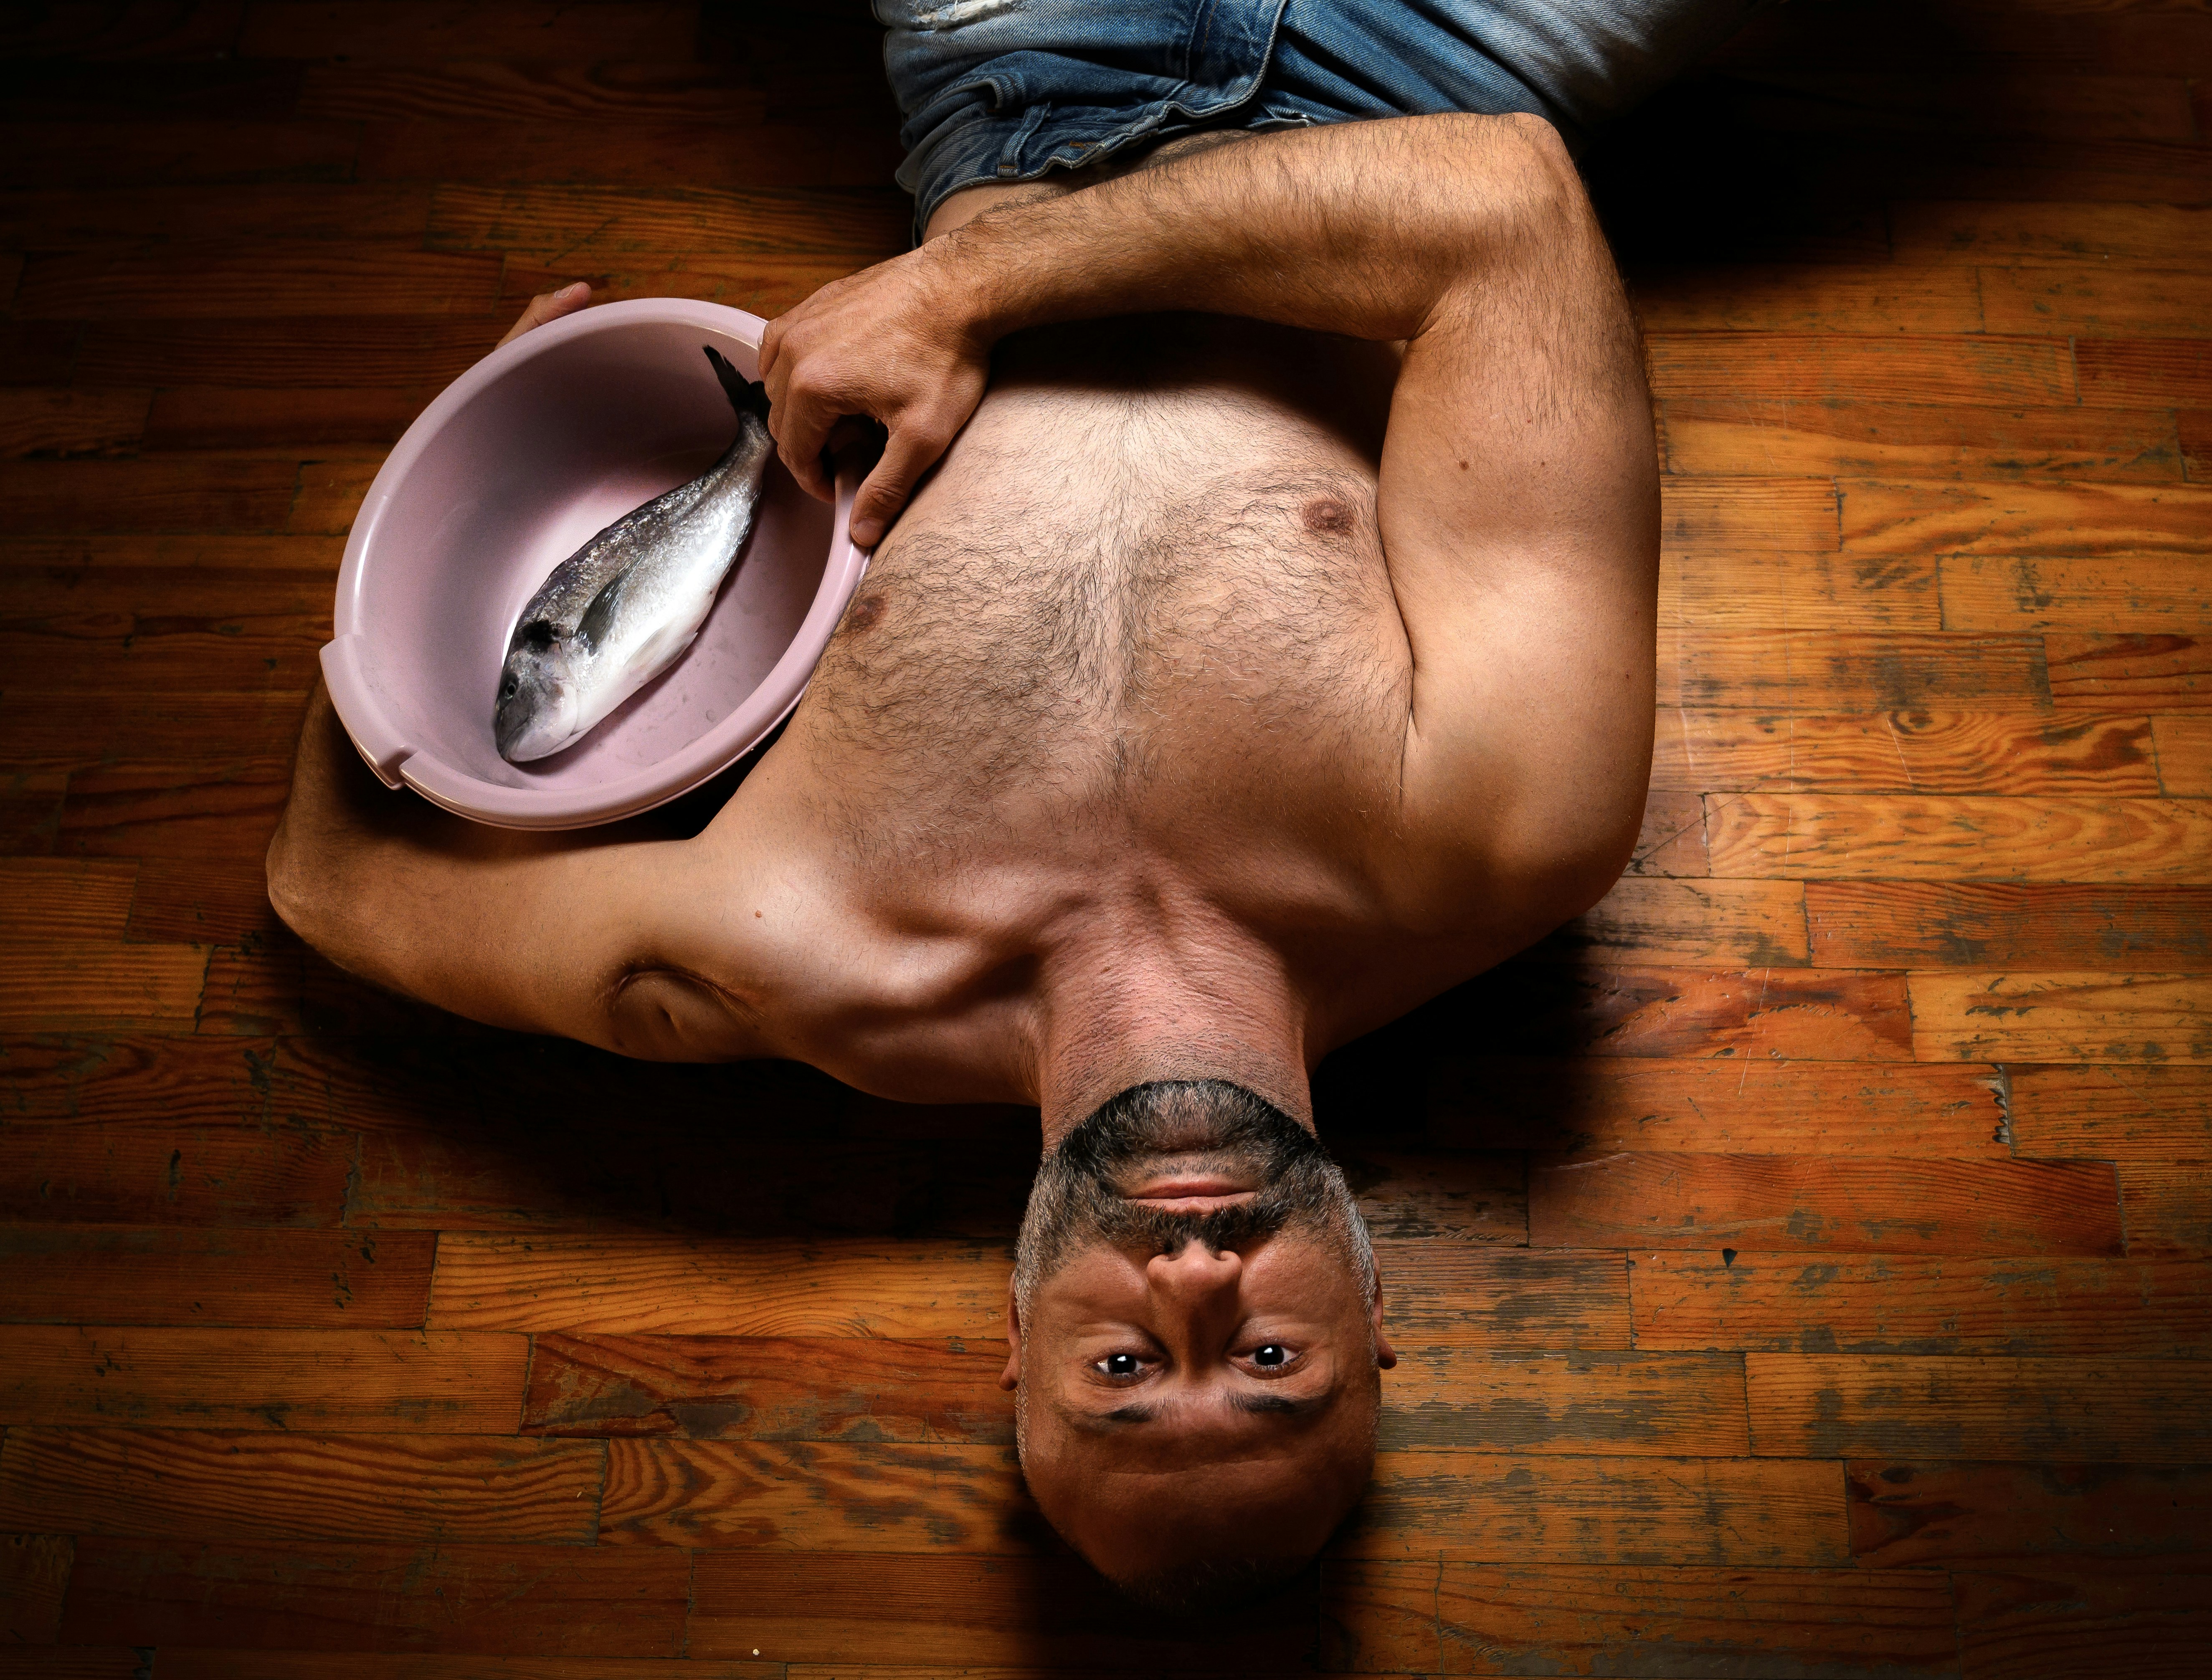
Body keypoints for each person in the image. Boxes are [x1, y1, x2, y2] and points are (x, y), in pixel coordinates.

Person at [268, 0, 1766, 1614]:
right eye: (1271, 1357)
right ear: (1376, 1322)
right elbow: (1503, 206)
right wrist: (972, 297)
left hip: (1034, 59)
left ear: (1016, 1346)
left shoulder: (796, 949)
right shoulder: (1504, 834)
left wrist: (429, 523)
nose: (1196, 1277)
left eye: (1126, 1371)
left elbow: (329, 886)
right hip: (1429, 66)